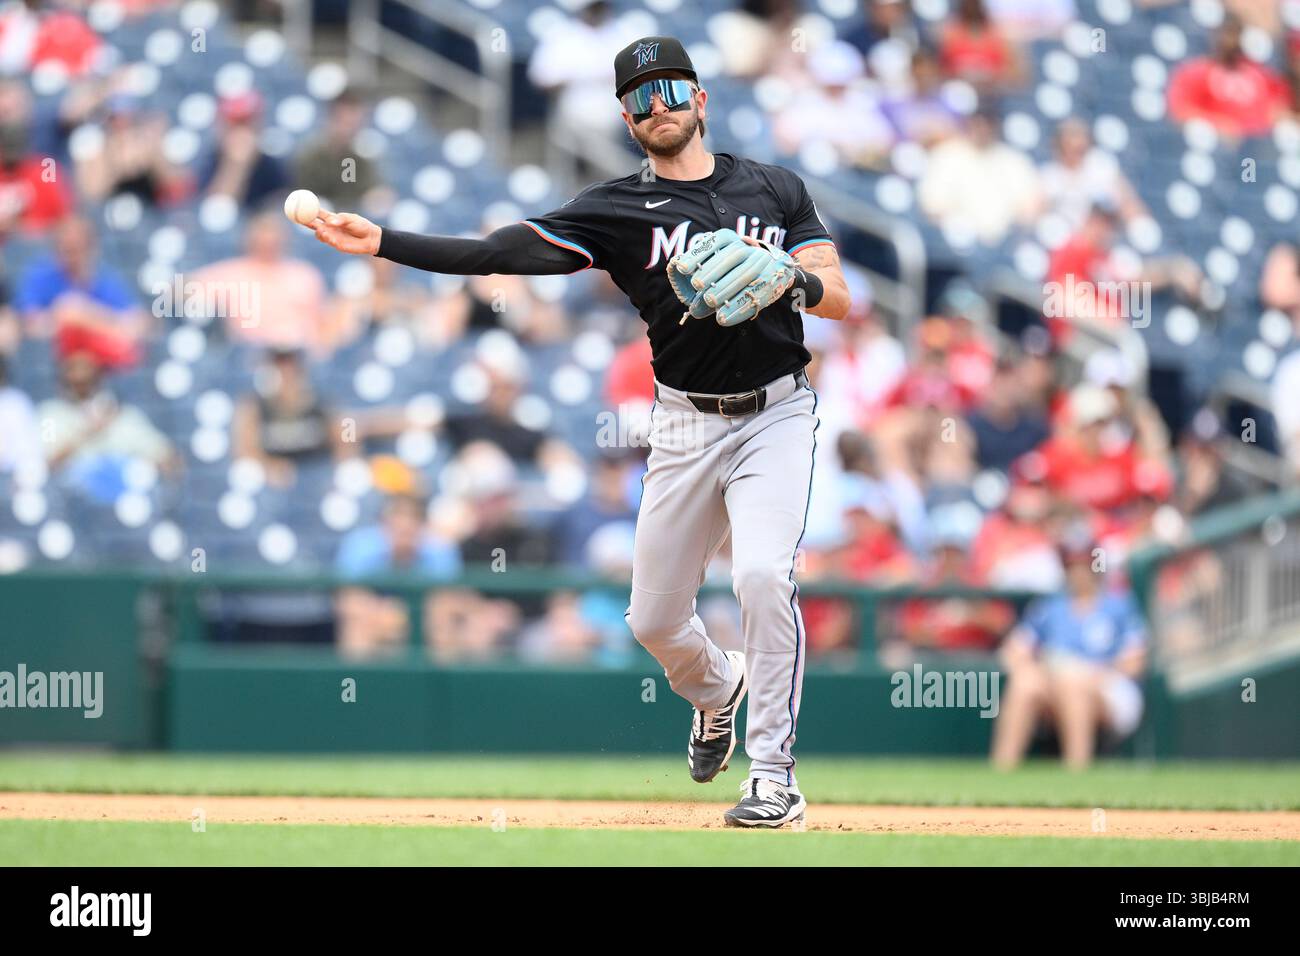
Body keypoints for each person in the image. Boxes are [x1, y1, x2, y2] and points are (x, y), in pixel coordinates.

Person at [310, 36, 850, 828]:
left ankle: (773, 777)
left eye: (669, 89)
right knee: (654, 620)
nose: (656, 106)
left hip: (775, 412)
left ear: (701, 99)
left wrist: (792, 278)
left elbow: (836, 294)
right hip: (682, 423)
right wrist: (386, 242)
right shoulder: (618, 210)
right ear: (627, 121)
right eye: (638, 98)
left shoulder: (775, 188)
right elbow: (498, 252)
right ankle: (717, 689)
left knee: (764, 576)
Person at [991, 531, 1148, 769]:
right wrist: (1035, 667)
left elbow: (1135, 662)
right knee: (1025, 682)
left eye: (1083, 564)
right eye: (1072, 565)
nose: (1078, 571)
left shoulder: (1119, 605)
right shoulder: (1050, 607)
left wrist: (1091, 673)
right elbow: (1013, 652)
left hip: (1110, 688)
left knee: (1073, 681)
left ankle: (1077, 771)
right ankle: (1001, 772)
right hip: (1056, 684)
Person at [334, 492, 462, 658]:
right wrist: (384, 616)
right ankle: (356, 684)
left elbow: (449, 602)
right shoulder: (360, 545)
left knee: (444, 628)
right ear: (384, 523)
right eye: (397, 519)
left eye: (413, 519)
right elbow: (347, 601)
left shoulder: (440, 549)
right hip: (376, 620)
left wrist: (404, 617)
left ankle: (438, 684)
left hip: (424, 622)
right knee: (357, 630)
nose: (405, 526)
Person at [1168, 17, 1290, 140]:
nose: (1230, 42)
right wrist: (1218, 124)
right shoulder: (1196, 72)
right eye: (1227, 36)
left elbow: (1281, 107)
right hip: (1215, 143)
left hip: (1261, 144)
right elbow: (1181, 111)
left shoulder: (1262, 74)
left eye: (1235, 36)